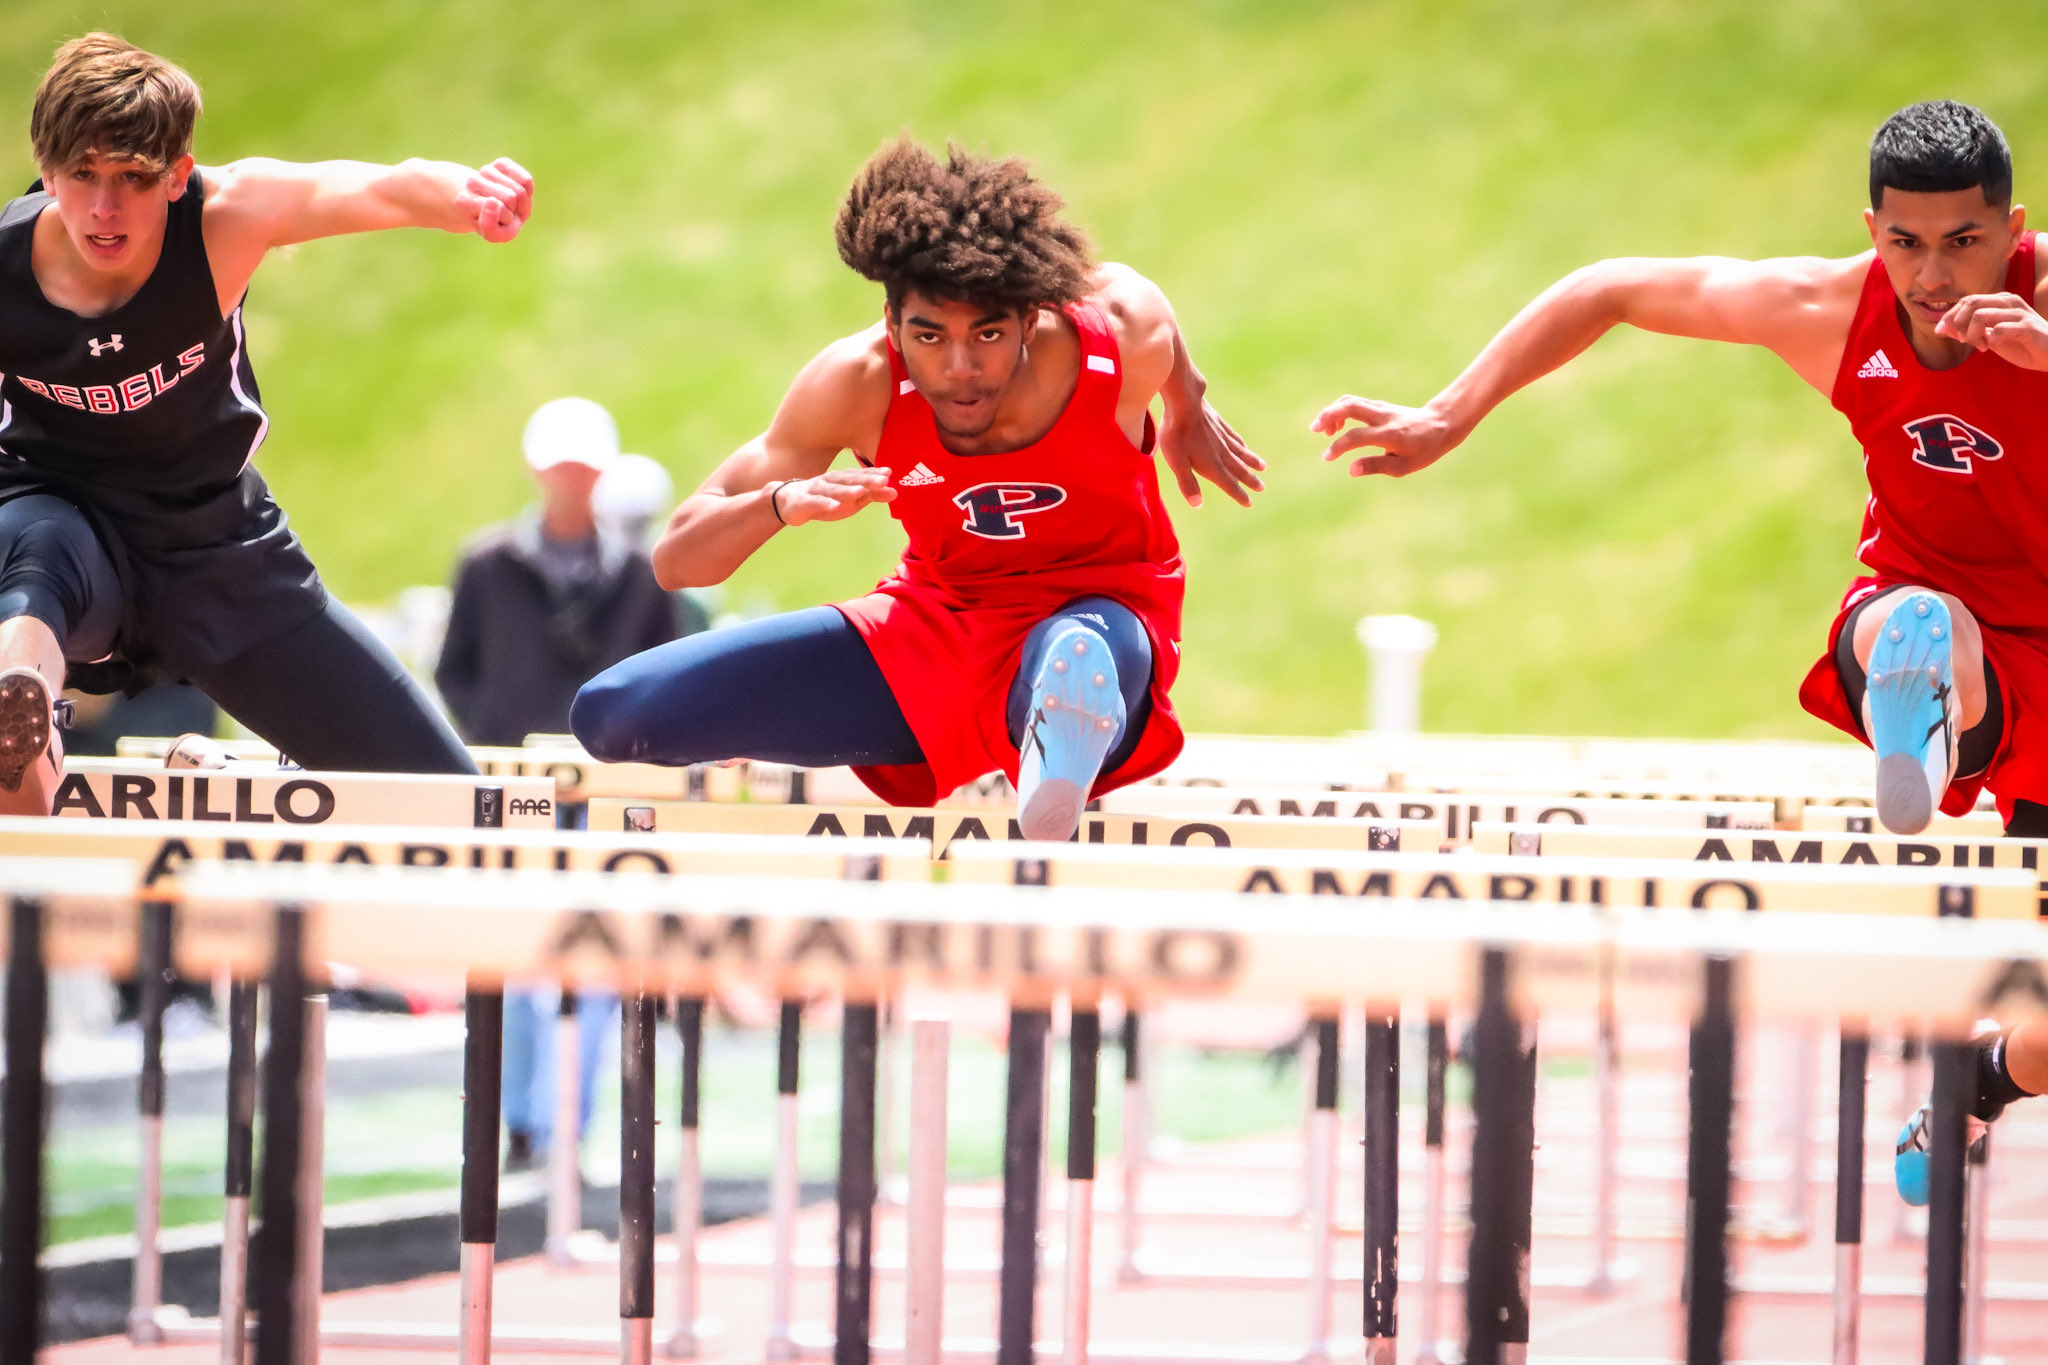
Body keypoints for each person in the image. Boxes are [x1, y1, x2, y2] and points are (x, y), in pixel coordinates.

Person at [1305, 100, 2048, 1171]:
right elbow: (1609, 287)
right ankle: (1923, 704)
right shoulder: (1830, 307)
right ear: (1871, 230)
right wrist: (1448, 412)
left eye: (1963, 242)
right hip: (1928, 620)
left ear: (2012, 228)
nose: (1931, 276)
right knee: (1917, 620)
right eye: (1905, 243)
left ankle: (1981, 1075)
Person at [571, 137, 1263, 839]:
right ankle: (1039, 741)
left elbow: (1149, 311)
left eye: (987, 335)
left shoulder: (1113, 342)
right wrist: (778, 505)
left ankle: (1059, 741)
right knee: (614, 712)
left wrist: (1187, 403)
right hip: (938, 627)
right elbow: (678, 560)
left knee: (1074, 654)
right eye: (929, 338)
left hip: (1101, 614)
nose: (960, 368)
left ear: (1030, 318)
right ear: (892, 325)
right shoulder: (857, 383)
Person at [0, 33, 533, 809]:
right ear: (47, 170)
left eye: (132, 178)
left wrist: (469, 196)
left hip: (213, 546)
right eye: (82, 175)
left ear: (177, 175)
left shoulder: (226, 217)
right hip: (60, 526)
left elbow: (378, 187)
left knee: (452, 805)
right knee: (37, 544)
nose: (105, 209)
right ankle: (18, 708)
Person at [433, 398, 679, 748]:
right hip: (510, 763)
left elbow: (665, 669)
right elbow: (453, 669)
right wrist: (489, 728)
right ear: (533, 468)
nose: (571, 479)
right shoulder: (485, 564)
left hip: (610, 762)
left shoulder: (642, 571)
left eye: (583, 467)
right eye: (561, 467)